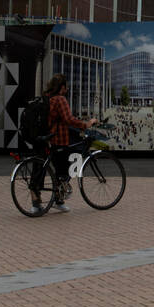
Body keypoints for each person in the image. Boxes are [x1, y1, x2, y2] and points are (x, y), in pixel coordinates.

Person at [43, 73, 97, 212]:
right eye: (66, 87)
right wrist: (86, 124)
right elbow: (69, 119)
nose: (67, 90)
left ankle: (59, 199)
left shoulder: (49, 98)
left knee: (61, 170)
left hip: (51, 138)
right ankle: (58, 200)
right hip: (60, 139)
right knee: (69, 167)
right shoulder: (60, 99)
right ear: (62, 87)